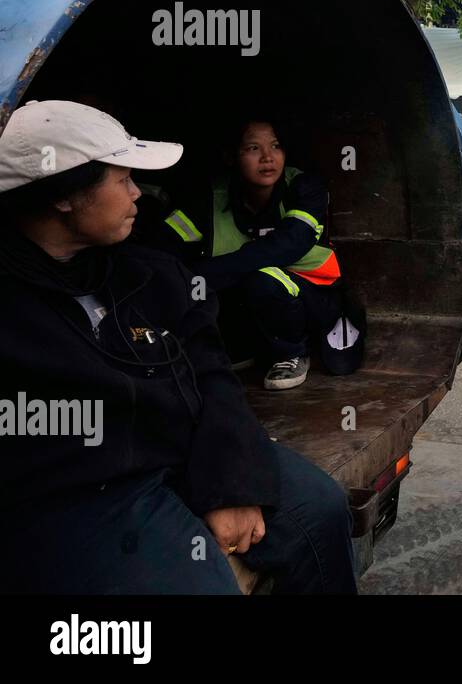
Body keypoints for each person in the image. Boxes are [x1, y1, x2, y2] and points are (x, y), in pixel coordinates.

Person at [0, 100, 356, 593]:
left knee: (319, 507)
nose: (136, 196)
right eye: (122, 180)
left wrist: (231, 480)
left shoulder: (147, 273)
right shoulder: (15, 306)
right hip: (94, 487)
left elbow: (210, 372)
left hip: (185, 449)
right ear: (64, 197)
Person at [159, 118, 349, 391]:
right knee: (201, 281)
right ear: (231, 156)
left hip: (314, 298)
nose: (267, 158)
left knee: (260, 278)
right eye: (252, 148)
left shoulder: (304, 187)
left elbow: (290, 244)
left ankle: (291, 353)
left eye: (275, 146)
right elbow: (165, 246)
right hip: (250, 299)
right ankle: (242, 348)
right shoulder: (213, 195)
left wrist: (208, 272)